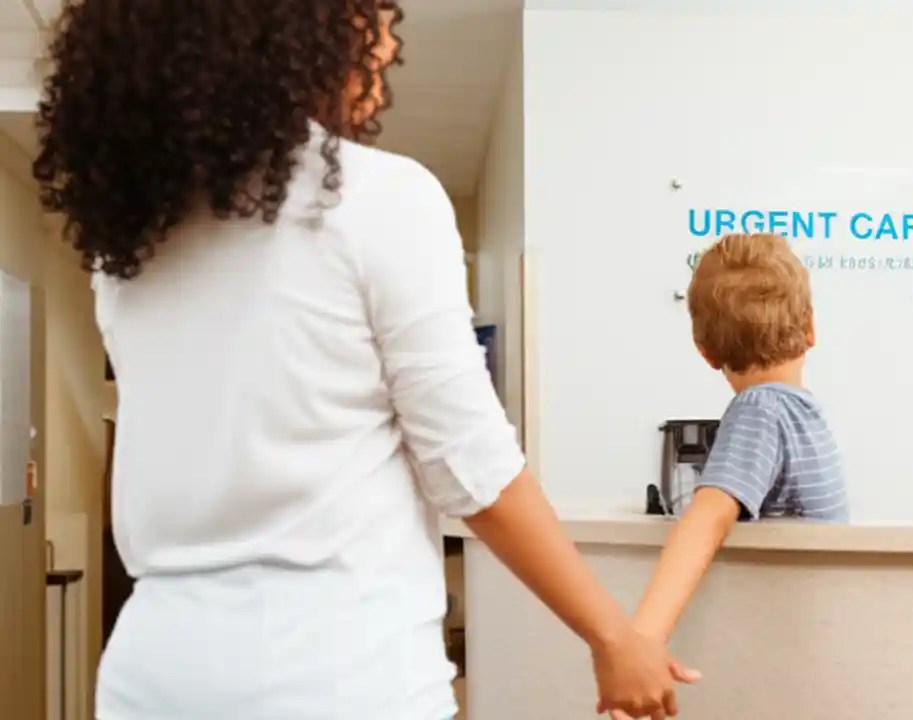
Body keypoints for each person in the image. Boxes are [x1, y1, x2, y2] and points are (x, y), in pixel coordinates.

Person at [32, 2, 693, 718]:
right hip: (336, 675)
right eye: (371, 14)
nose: (387, 38)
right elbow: (470, 465)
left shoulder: (125, 251)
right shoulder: (377, 200)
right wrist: (610, 635)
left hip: (152, 676)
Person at [625, 233, 848, 688]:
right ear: (810, 329)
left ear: (705, 351)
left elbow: (708, 518)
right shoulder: (804, 412)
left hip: (785, 659)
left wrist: (642, 638)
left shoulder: (758, 411)